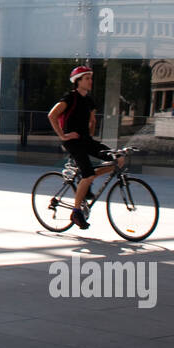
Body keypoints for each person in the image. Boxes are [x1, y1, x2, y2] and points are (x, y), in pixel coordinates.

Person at [47, 65, 124, 229]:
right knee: (88, 175)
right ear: (78, 81)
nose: (90, 81)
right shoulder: (70, 97)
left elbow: (93, 120)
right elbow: (52, 115)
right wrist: (63, 135)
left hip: (86, 140)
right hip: (72, 141)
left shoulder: (89, 100)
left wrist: (91, 136)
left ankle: (86, 178)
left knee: (118, 159)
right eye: (87, 78)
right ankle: (76, 212)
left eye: (91, 78)